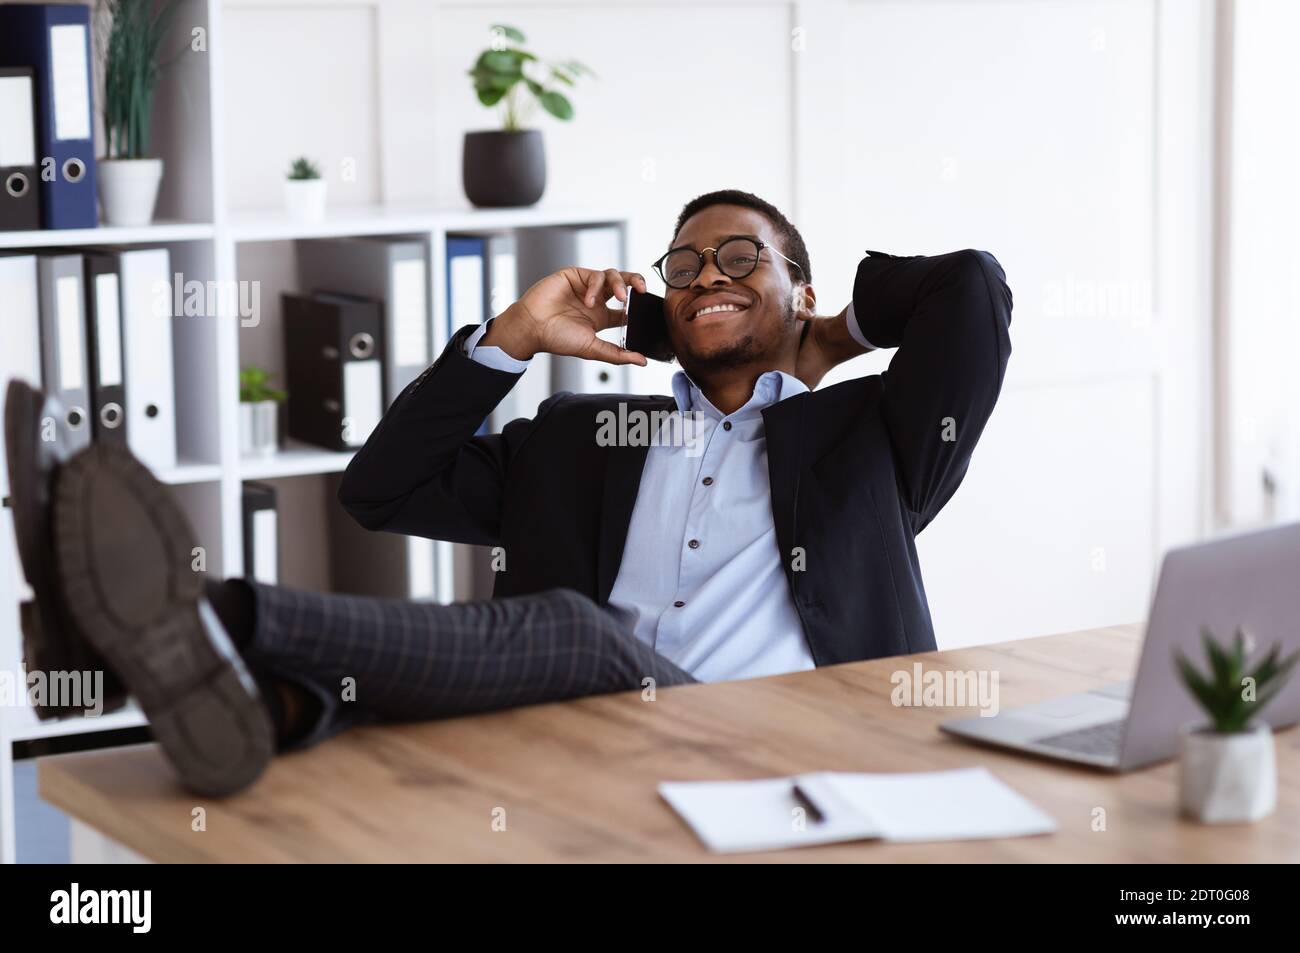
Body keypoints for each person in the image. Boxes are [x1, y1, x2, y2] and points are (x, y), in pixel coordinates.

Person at [5, 189, 1012, 796]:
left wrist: (824, 334)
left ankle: (186, 621)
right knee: (428, 690)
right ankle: (256, 701)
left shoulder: (871, 439)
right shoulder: (582, 438)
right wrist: (511, 340)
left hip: (787, 750)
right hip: (576, 734)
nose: (710, 272)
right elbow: (382, 487)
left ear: (799, 281)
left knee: (565, 631)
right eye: (685, 263)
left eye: (744, 257)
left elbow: (968, 288)